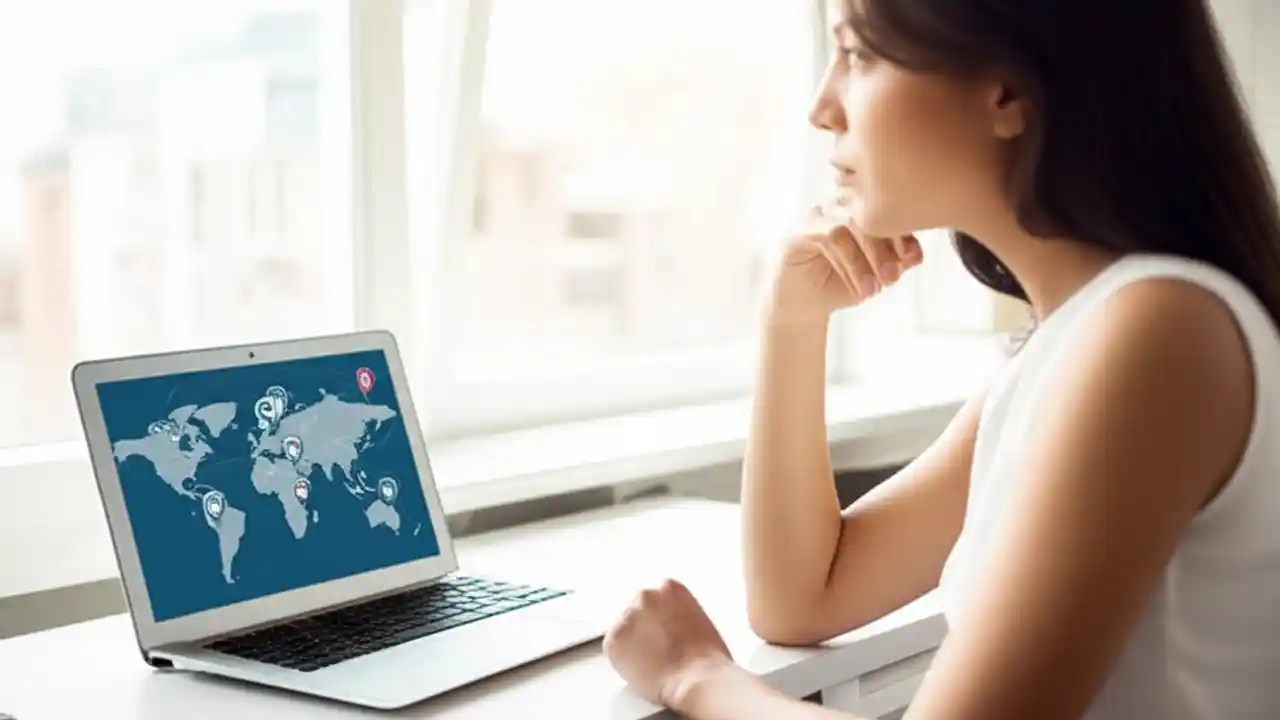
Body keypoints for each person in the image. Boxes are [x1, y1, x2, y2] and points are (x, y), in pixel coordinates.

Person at [602, 0, 1280, 718]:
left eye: (858, 55)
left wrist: (694, 676)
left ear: (1008, 93)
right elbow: (803, 596)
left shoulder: (1156, 336)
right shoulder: (1070, 342)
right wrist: (792, 323)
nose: (822, 108)